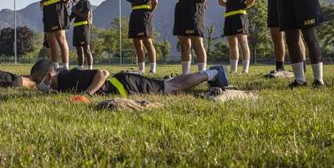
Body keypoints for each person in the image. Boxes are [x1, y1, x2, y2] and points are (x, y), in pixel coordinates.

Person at [30, 59, 230, 96]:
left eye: (39, 82)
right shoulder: (58, 83)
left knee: (172, 88)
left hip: (126, 85)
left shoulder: (69, 76)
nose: (39, 86)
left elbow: (102, 73)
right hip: (124, 84)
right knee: (168, 85)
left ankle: (213, 73)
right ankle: (210, 75)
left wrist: (89, 93)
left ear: (49, 76)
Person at [218, 0, 256, 74]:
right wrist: (229, 5)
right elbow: (220, 1)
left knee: (243, 42)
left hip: (240, 15)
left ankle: (245, 70)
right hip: (229, 15)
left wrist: (245, 6)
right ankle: (233, 70)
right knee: (232, 44)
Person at [127, 0, 158, 74]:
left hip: (145, 14)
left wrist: (150, 12)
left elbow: (155, 1)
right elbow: (132, 3)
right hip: (135, 15)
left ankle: (152, 69)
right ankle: (141, 69)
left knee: (147, 41)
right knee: (137, 43)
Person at [69, 0, 93, 69]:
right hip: (76, 28)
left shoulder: (86, 2)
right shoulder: (75, 6)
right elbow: (69, 18)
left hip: (84, 28)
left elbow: (87, 16)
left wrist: (76, 12)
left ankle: (90, 68)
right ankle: (80, 68)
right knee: (78, 50)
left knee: (86, 49)